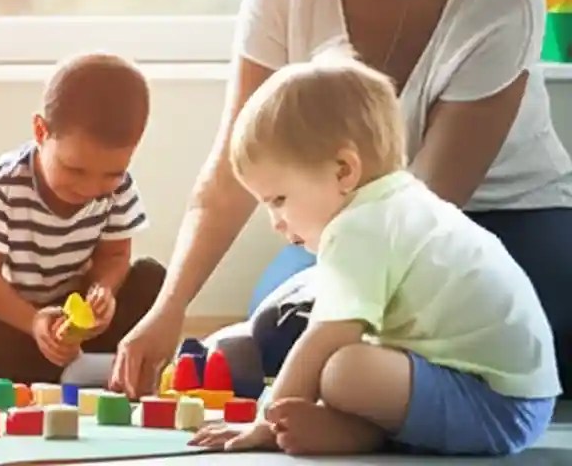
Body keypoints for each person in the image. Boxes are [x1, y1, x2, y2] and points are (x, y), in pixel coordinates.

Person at [111, 0, 572, 399]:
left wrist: (335, 318)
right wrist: (168, 309)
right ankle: (396, 386)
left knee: (519, 333)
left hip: (506, 219)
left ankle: (420, 390)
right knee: (276, 332)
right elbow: (228, 172)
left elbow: (426, 203)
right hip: (350, 220)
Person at [191, 49, 557, 456]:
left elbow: (325, 338)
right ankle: (357, 430)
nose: (276, 222)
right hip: (515, 399)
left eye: (278, 199)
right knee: (355, 360)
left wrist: (265, 421)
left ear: (344, 170)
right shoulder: (401, 199)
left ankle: (364, 432)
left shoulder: (359, 227)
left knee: (343, 369)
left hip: (494, 408)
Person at [0, 52, 166, 384]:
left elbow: (116, 256)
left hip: (73, 319)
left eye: (111, 174)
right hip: (7, 315)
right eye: (74, 169)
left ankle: (75, 365)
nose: (91, 187)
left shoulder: (118, 189)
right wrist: (34, 323)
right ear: (40, 131)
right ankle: (70, 370)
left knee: (153, 281)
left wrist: (103, 292)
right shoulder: (1, 185)